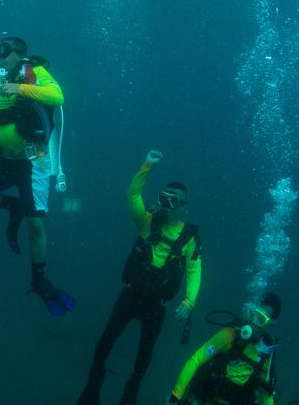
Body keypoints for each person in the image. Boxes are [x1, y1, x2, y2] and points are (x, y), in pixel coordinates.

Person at [76, 150, 203, 405]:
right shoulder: (147, 220)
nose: (168, 204)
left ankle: (132, 388)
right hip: (132, 293)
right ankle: (94, 378)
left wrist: (189, 301)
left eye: (174, 201)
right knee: (107, 337)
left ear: (182, 206)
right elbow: (132, 194)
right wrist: (147, 166)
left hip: (157, 304)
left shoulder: (189, 238)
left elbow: (194, 270)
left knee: (145, 351)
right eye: (164, 198)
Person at [0, 35, 70, 314]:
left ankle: (39, 278)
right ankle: (13, 206)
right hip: (2, 160)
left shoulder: (32, 72)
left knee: (36, 226)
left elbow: (57, 96)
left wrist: (20, 88)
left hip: (33, 162)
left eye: (3, 52)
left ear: (18, 54)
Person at [167, 293, 282, 405]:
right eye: (252, 314)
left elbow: (265, 392)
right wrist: (175, 397)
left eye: (260, 319)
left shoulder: (267, 351)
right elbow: (196, 360)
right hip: (201, 399)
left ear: (269, 325)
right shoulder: (229, 335)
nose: (252, 321)